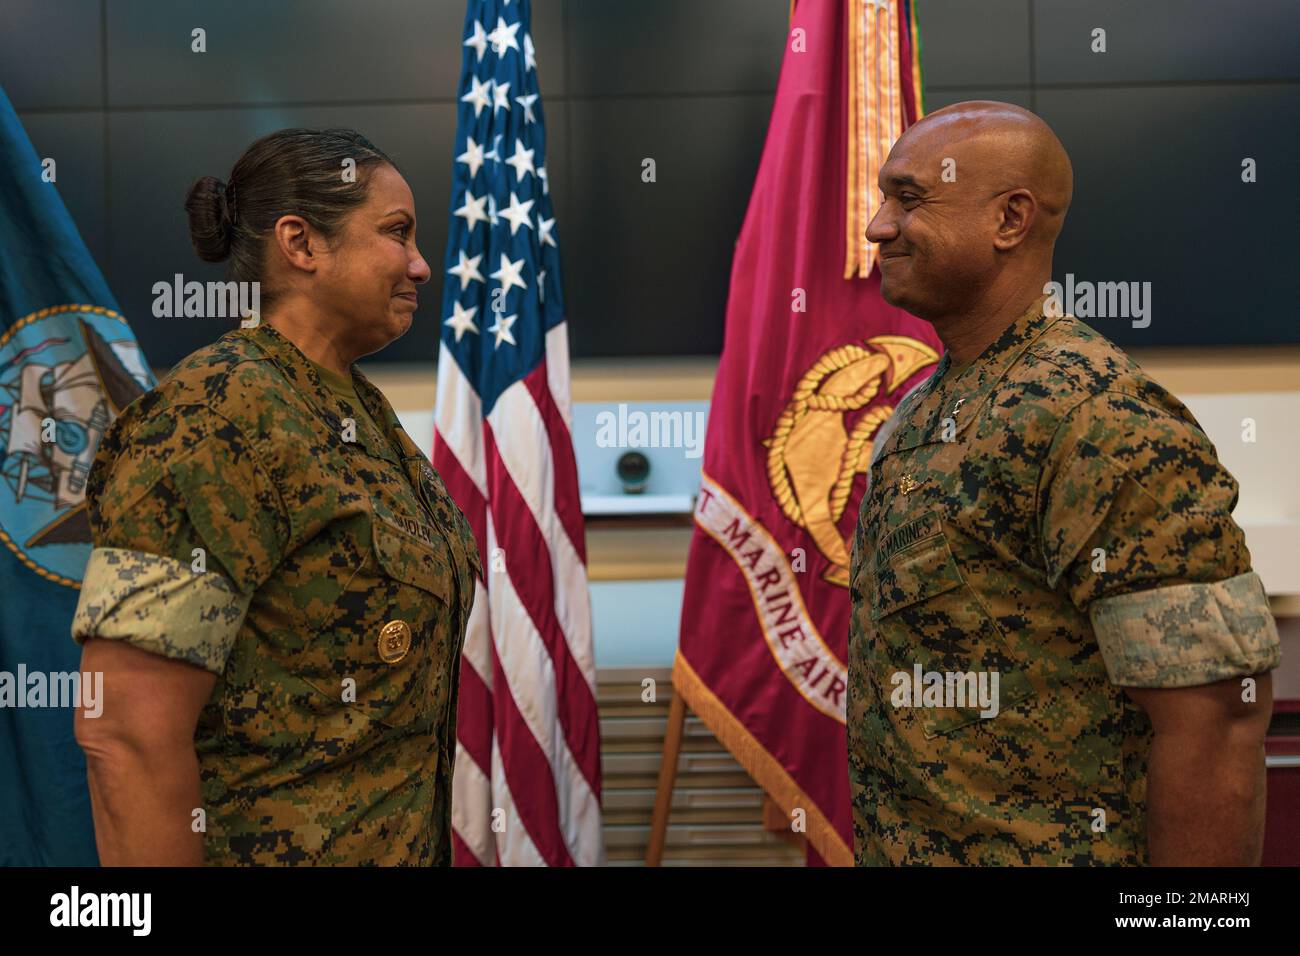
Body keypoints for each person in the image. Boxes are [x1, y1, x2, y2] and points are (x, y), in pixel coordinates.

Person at [848, 101, 1281, 865]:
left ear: (1010, 220)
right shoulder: (926, 405)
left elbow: (1214, 720)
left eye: (908, 199)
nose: (878, 226)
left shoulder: (1098, 414)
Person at [71, 128, 480, 865]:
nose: (421, 265)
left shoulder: (354, 410)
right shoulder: (213, 417)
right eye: (396, 234)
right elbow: (127, 734)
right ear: (302, 243)